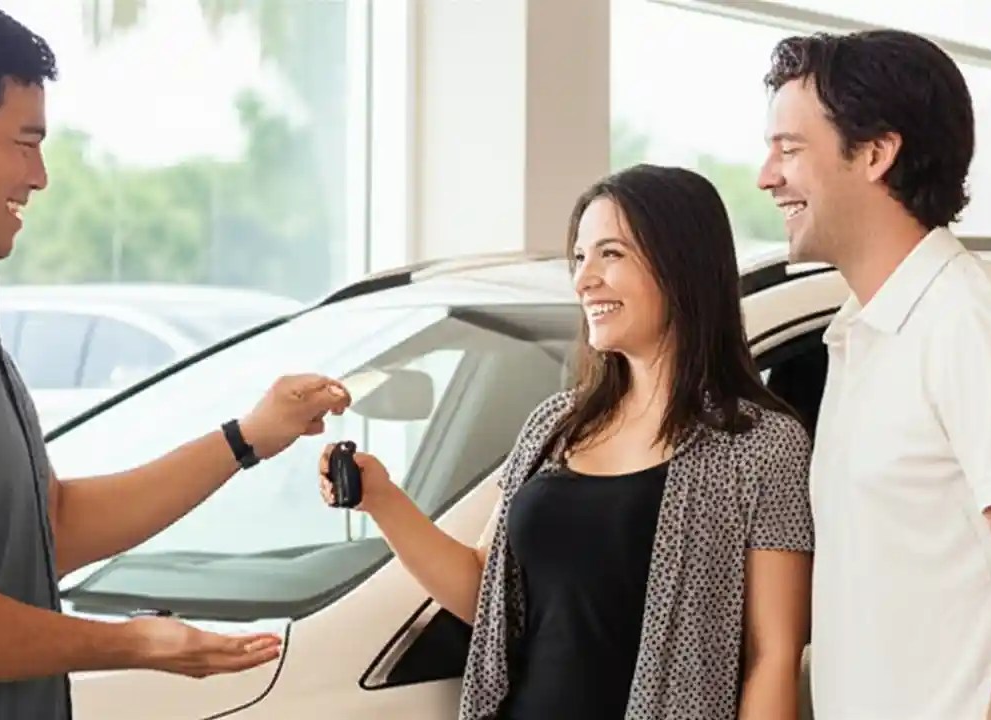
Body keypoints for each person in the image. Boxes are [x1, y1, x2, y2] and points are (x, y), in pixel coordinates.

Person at [0, 2, 351, 719]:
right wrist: (135, 645)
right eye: (24, 142)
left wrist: (247, 437)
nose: (42, 176)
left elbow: (50, 526)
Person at [318, 164, 815, 719]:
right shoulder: (554, 425)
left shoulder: (762, 445)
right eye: (580, 258)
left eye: (611, 254)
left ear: (682, 265)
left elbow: (772, 656)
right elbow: (486, 596)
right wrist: (381, 498)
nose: (584, 280)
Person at [759, 30, 991, 720]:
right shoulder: (857, 334)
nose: (766, 175)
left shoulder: (972, 324)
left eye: (790, 148)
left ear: (875, 153)